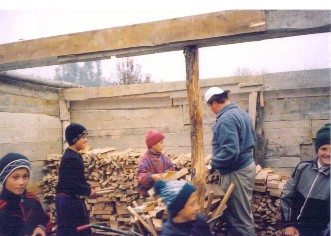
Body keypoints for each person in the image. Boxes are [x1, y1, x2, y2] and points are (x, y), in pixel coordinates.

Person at [204, 87, 257, 236]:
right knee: (236, 214)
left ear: (214, 102)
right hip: (244, 166)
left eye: (209, 106)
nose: (210, 109)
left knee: (240, 218)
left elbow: (230, 151)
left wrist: (211, 165)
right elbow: (251, 139)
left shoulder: (226, 119)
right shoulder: (241, 113)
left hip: (236, 171)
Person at [280, 123, 330, 236]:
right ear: (317, 149)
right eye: (323, 148)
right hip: (295, 230)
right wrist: (289, 224)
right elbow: (287, 196)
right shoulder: (302, 168)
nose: (328, 153)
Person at [55, 123, 96, 236]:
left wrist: (88, 188)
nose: (86, 140)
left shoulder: (75, 156)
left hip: (71, 200)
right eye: (83, 137)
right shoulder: (71, 158)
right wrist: (88, 191)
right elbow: (72, 183)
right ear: (75, 139)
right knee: (73, 231)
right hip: (67, 202)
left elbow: (79, 179)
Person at [0, 152, 52, 236]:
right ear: (4, 179)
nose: (21, 182)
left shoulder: (32, 199)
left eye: (25, 176)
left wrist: (41, 227)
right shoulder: (2, 207)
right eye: (15, 177)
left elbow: (45, 220)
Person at [137, 130, 175, 196]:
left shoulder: (162, 157)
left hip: (162, 189)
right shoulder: (145, 159)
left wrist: (165, 174)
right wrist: (152, 176)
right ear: (153, 145)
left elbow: (171, 167)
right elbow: (140, 176)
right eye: (161, 143)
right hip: (149, 193)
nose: (163, 145)